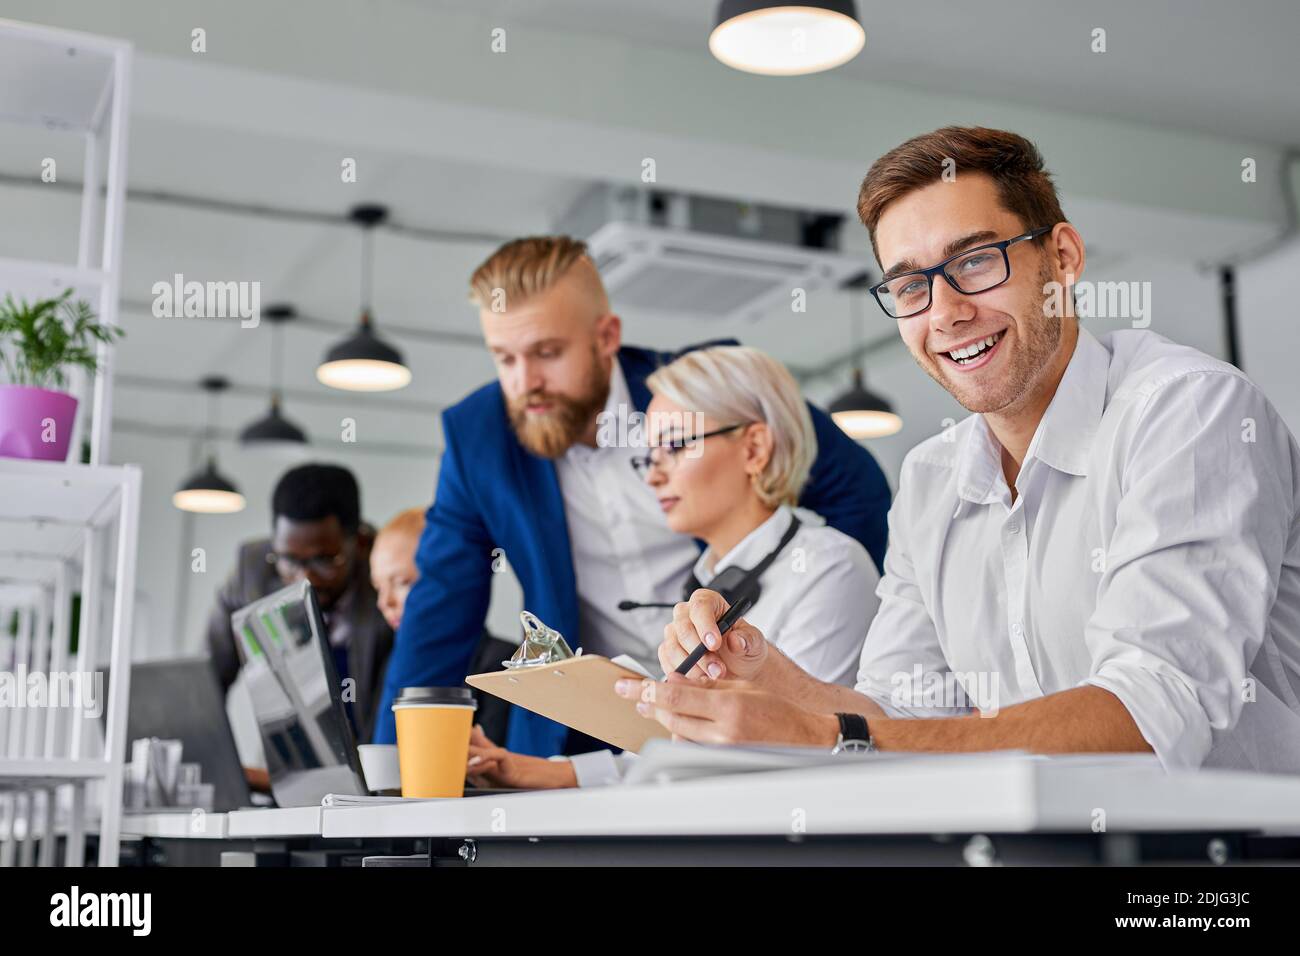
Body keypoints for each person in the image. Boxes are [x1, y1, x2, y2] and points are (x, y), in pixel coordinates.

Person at [627, 126, 1300, 774]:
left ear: (1061, 258)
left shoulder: (1189, 412)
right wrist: (777, 681)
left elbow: (1151, 715)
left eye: (976, 261)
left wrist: (829, 735)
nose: (944, 312)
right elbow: (904, 713)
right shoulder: (931, 478)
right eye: (910, 285)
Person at [375, 236, 893, 757]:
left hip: (734, 692)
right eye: (504, 358)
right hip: (586, 733)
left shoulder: (698, 390)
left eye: (547, 353)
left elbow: (858, 492)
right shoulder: (480, 438)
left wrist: (810, 591)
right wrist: (389, 773)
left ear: (606, 337)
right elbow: (440, 611)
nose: (524, 382)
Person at [466, 345, 880, 789]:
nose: (653, 476)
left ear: (755, 448)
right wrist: (540, 770)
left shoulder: (829, 566)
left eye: (676, 447)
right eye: (650, 456)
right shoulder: (704, 584)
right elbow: (685, 747)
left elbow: (788, 748)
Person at [206, 462, 393, 744]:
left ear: (361, 543)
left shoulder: (389, 580)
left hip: (373, 755)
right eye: (290, 560)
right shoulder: (252, 571)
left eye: (324, 560)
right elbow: (208, 680)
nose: (305, 579)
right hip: (292, 761)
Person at [370, 507, 514, 744]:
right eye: (378, 587)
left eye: (402, 583)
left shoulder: (501, 664)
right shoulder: (391, 661)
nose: (385, 602)